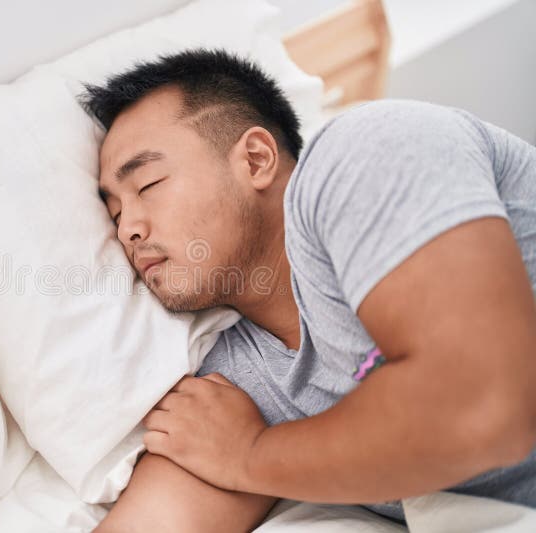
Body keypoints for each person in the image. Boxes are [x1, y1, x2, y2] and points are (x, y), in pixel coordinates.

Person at [79, 49, 536, 531]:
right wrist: (240, 448)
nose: (127, 227)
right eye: (113, 213)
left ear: (256, 160)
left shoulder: (366, 153)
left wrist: (250, 455)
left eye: (147, 184)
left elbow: (487, 408)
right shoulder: (234, 386)